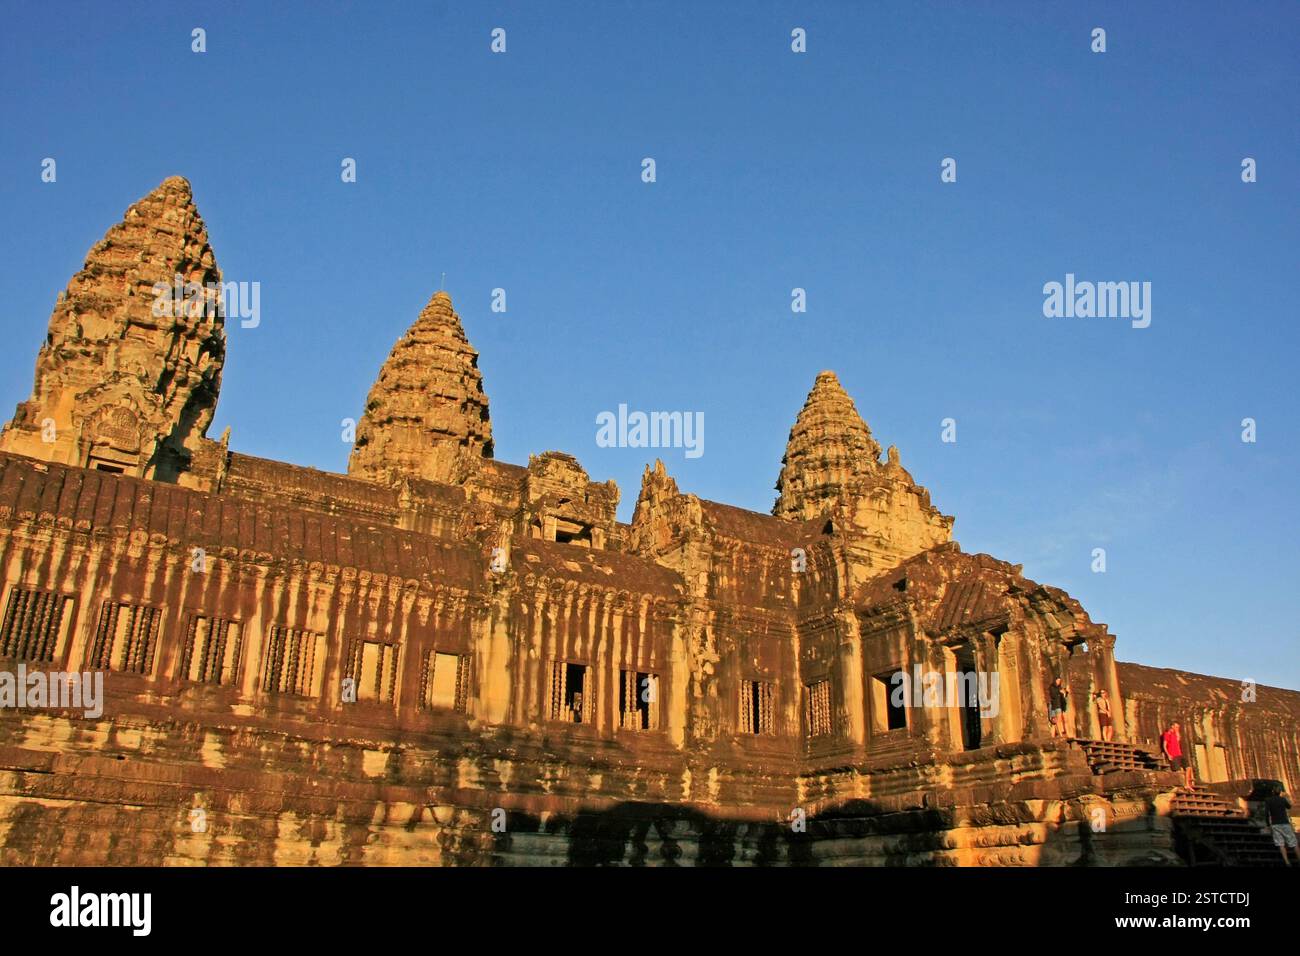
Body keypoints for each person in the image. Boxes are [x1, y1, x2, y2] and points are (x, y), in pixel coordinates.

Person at [1264, 784, 1298, 866]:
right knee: (1294, 843)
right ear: (1279, 792)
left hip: (1275, 824)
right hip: (1285, 823)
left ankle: (1287, 862)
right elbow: (1289, 807)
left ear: (1272, 792)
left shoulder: (1268, 800)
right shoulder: (1283, 799)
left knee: (1281, 844)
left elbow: (1266, 813)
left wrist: (1268, 824)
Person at [1161, 721, 1194, 789]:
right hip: (1173, 755)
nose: (1177, 728)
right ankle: (1182, 785)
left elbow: (1178, 739)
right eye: (1176, 727)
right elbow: (1164, 745)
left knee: (1188, 768)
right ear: (1172, 726)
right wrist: (1168, 755)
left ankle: (1187, 784)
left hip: (1179, 754)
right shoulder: (1167, 734)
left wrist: (1177, 732)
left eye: (1178, 727)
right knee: (1178, 771)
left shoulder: (1175, 734)